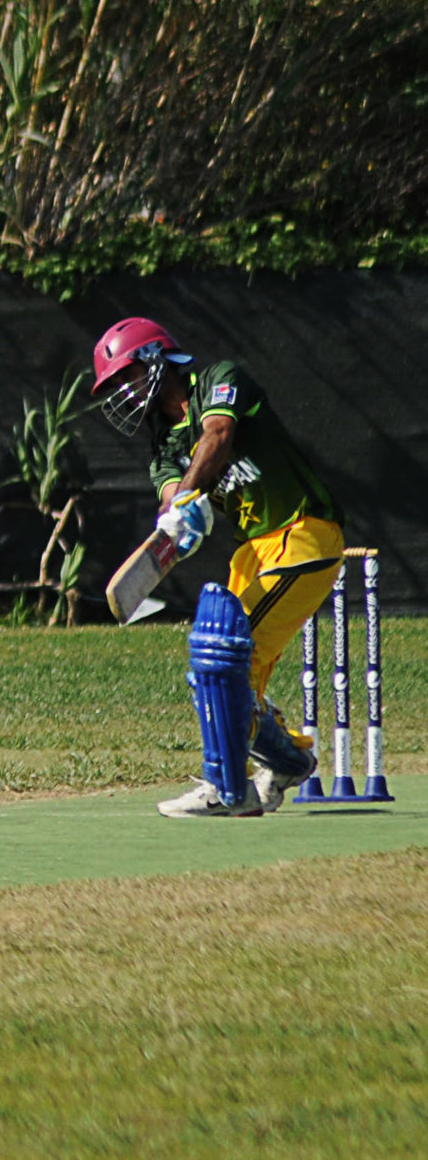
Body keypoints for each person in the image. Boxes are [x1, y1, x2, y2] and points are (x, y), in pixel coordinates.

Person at [92, 317, 340, 818]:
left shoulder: (219, 380)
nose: (123, 391)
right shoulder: (163, 450)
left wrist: (187, 494)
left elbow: (219, 434)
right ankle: (289, 759)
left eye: (127, 376)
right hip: (252, 553)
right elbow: (171, 497)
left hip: (303, 533)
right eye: (115, 385)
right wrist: (178, 518)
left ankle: (227, 790)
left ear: (158, 360)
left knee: (223, 659)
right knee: (220, 680)